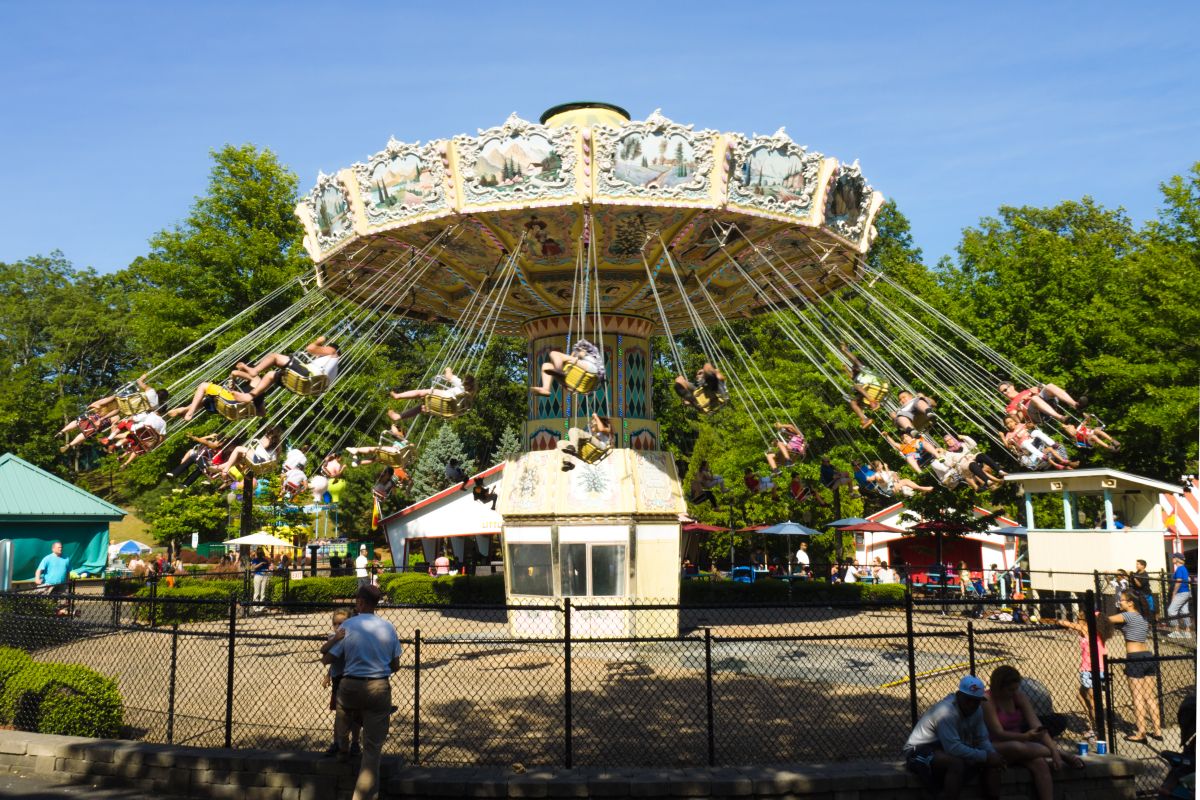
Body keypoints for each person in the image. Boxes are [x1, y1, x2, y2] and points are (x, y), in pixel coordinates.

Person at [320, 584, 401, 800]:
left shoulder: (348, 625)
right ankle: (362, 796)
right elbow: (395, 665)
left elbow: (330, 656)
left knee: (343, 712)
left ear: (361, 602)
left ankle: (343, 747)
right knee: (372, 750)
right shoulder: (388, 627)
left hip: (350, 684)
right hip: (378, 685)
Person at [982, 665, 1083, 800]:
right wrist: (1027, 737)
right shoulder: (987, 699)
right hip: (995, 745)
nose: (1014, 692)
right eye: (1010, 689)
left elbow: (1037, 725)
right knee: (1016, 746)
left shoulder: (1019, 697)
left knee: (1040, 764)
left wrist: (1051, 747)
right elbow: (998, 732)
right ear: (998, 686)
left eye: (1016, 689)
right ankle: (1062, 753)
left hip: (1023, 747)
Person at [903, 675, 1004, 800]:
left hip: (944, 748)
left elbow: (982, 739)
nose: (972, 704)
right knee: (956, 763)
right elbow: (953, 748)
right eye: (968, 699)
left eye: (976, 701)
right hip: (919, 750)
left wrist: (992, 755)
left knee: (993, 763)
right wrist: (985, 756)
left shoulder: (977, 710)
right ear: (959, 695)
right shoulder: (946, 712)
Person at [1108, 592, 1163, 742]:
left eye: (1122, 601)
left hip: (1135, 658)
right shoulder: (1142, 617)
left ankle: (1141, 733)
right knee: (1150, 696)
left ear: (1131, 603)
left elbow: (1106, 620)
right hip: (1148, 656)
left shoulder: (1127, 616)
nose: (1120, 603)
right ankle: (1157, 731)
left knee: (1137, 697)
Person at [1053, 610, 1113, 739]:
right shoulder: (1098, 631)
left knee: (1092, 700)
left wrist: (1058, 621)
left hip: (1091, 669)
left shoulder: (1088, 629)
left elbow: (1068, 624)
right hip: (1097, 668)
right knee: (1081, 695)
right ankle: (1096, 725)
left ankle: (1097, 729)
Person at [234, 335, 341, 393]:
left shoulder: (333, 352)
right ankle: (252, 395)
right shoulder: (333, 369)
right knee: (271, 375)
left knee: (274, 356)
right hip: (306, 388)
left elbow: (310, 348)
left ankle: (254, 370)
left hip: (306, 375)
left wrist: (318, 341)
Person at [322, 610, 361, 757]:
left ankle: (355, 742)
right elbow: (329, 656)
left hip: (351, 676)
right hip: (338, 678)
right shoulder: (333, 637)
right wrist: (328, 675)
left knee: (356, 714)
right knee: (340, 715)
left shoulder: (352, 638)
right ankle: (337, 742)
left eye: (342, 623)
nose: (338, 626)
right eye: (335, 623)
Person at [390, 367, 476, 419]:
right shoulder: (468, 396)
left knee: (422, 392)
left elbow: (448, 376)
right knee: (420, 408)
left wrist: (448, 369)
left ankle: (398, 396)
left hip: (445, 399)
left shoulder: (460, 384)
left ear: (465, 382)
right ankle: (398, 416)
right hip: (447, 410)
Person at [530, 339, 604, 396]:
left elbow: (581, 354)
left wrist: (575, 357)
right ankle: (546, 388)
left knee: (554, 353)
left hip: (591, 367)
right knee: (546, 365)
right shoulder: (577, 352)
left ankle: (559, 370)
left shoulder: (586, 350)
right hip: (583, 376)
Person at [840, 343, 887, 429]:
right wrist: (846, 370)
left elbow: (854, 359)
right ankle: (864, 419)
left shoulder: (864, 369)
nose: (853, 368)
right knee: (853, 403)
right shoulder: (857, 377)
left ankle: (873, 402)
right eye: (853, 367)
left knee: (857, 386)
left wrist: (845, 351)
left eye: (854, 366)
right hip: (865, 390)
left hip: (873, 387)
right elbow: (851, 377)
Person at [998, 382, 1082, 425]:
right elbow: (1017, 419)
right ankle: (1060, 417)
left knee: (1049, 386)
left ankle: (1075, 404)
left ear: (1012, 387)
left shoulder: (1026, 391)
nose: (1005, 393)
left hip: (1047, 404)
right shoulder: (1009, 407)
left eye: (1005, 390)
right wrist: (1019, 406)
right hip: (1036, 416)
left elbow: (1040, 394)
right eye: (1002, 393)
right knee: (1034, 399)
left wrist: (1037, 391)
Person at [347, 425, 412, 467]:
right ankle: (358, 462)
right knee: (375, 459)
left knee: (375, 449)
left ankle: (357, 450)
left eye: (399, 431)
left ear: (402, 433)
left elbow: (396, 432)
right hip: (395, 458)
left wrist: (393, 424)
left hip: (394, 452)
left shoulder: (403, 439)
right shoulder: (401, 441)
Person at [1166, 553, 1192, 639]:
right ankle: (1187, 632)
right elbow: (1188, 579)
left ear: (1177, 559)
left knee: (1171, 611)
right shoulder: (1183, 568)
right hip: (1186, 592)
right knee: (1184, 612)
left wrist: (1174, 593)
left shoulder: (1180, 569)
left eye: (1173, 557)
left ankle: (1176, 631)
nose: (1172, 559)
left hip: (1181, 593)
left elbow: (1179, 581)